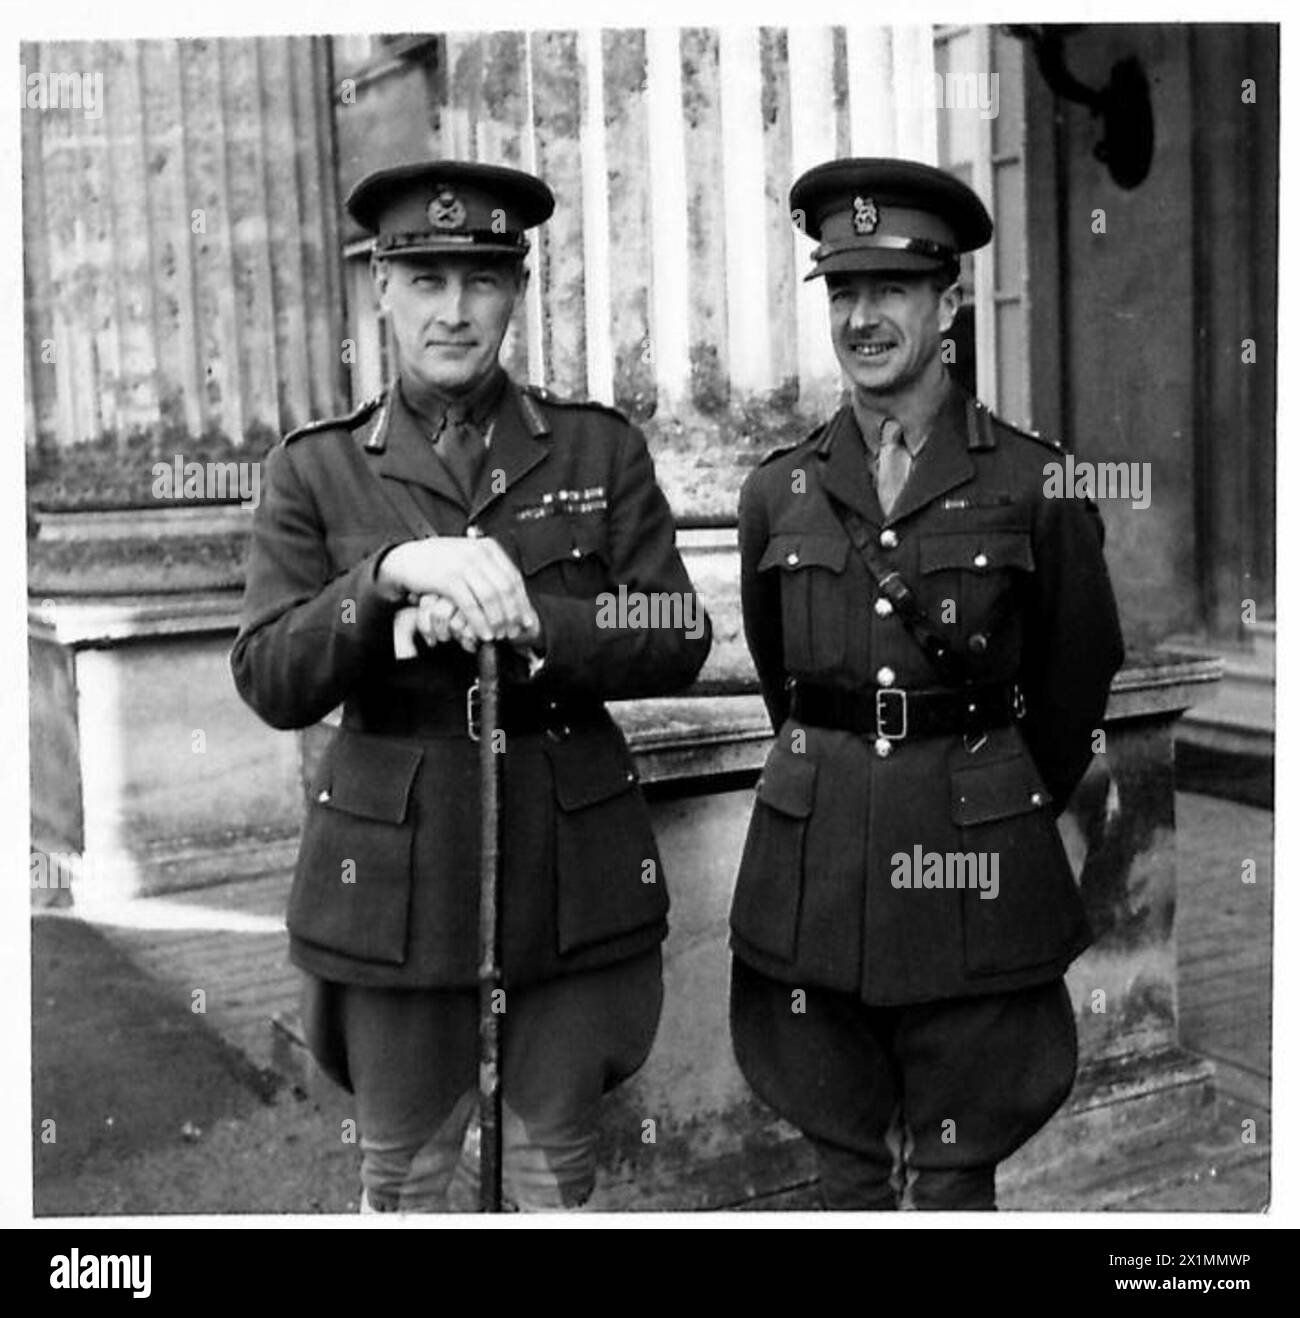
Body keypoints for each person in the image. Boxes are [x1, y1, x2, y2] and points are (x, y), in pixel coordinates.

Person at [231, 160, 711, 1212]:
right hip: (396, 890)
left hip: (566, 875)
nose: (454, 310)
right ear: (383, 292)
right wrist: (386, 578)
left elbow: (677, 630)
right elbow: (268, 672)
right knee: (401, 1179)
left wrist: (537, 622)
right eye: (427, 279)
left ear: (518, 293)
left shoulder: (595, 445)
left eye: (482, 280)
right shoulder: (315, 468)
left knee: (552, 1176)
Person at [728, 157, 1124, 1210]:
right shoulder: (781, 489)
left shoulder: (1038, 483)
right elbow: (789, 687)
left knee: (955, 1173)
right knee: (841, 1168)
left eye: (889, 290)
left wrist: (987, 791)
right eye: (842, 292)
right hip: (813, 870)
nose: (862, 318)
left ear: (946, 302)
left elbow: (1074, 685)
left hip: (975, 870)